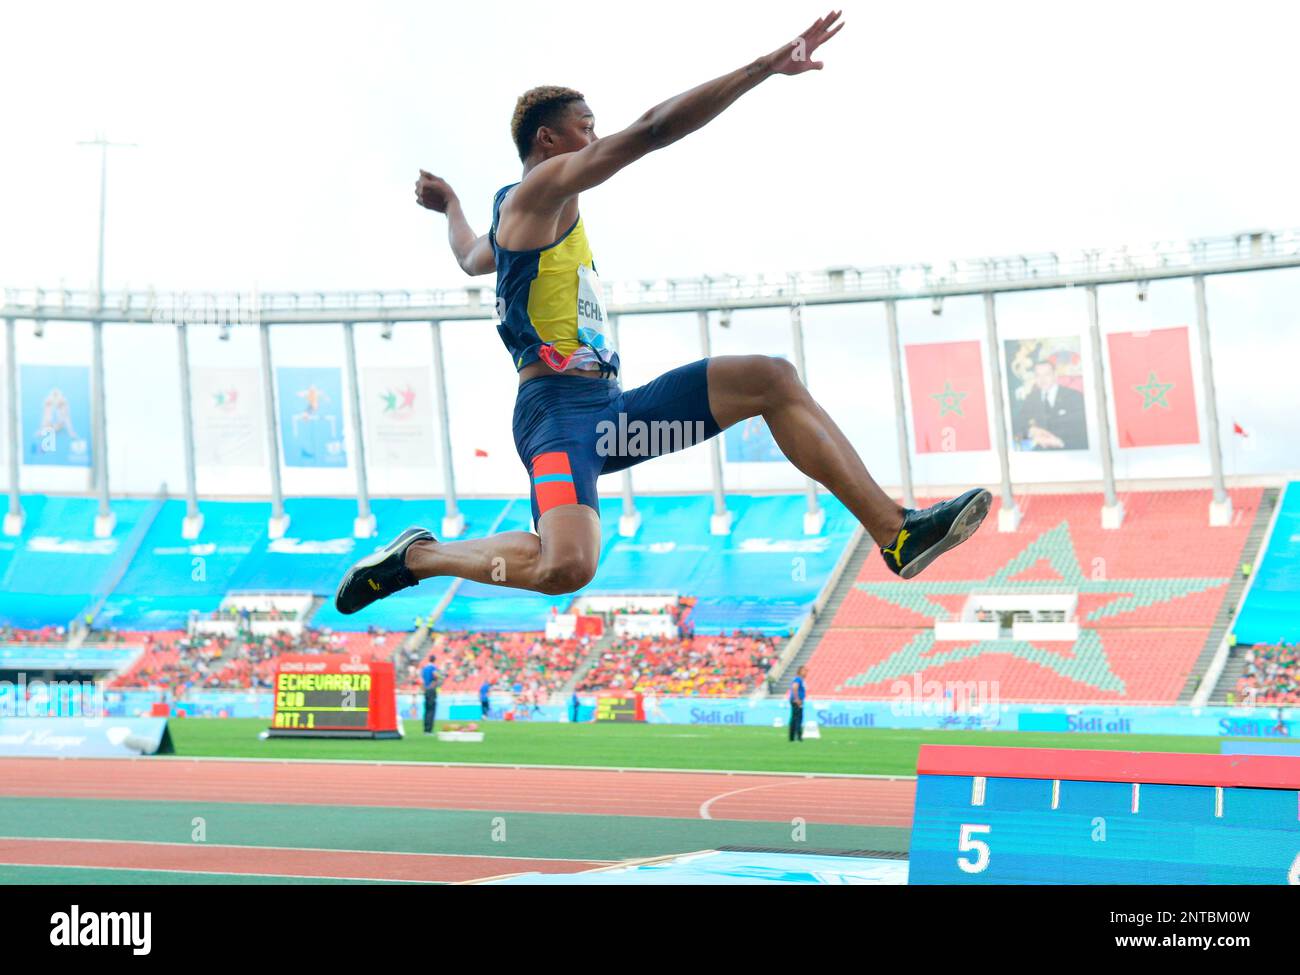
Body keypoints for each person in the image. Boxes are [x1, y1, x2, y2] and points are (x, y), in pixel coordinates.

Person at [333, 11, 991, 618]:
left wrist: (449, 204)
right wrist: (764, 67)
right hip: (555, 420)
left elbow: (471, 258)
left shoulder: (522, 214)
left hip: (614, 417)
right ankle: (416, 558)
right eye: (586, 127)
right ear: (549, 137)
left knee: (772, 377)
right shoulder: (539, 190)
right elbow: (652, 130)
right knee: (566, 567)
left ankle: (896, 532)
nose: (596, 137)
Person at [1016, 359, 1087, 450]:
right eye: (1038, 375)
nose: (1042, 379)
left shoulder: (1074, 396)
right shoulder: (1031, 398)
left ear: (1055, 375)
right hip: (1040, 451)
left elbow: (1082, 431)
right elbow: (1017, 425)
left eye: (1046, 374)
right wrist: (1031, 431)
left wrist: (1061, 443)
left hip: (1069, 450)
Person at [420, 654, 439, 735]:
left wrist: (424, 688)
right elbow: (435, 676)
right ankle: (429, 730)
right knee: (431, 710)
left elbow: (422, 679)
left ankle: (425, 729)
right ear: (434, 660)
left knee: (427, 710)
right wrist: (435, 683)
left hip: (426, 690)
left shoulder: (424, 668)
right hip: (431, 690)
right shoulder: (433, 668)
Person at [788, 666, 807, 742]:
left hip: (795, 700)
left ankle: (792, 737)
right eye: (804, 671)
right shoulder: (798, 679)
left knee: (794, 718)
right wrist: (797, 699)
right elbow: (794, 687)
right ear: (800, 671)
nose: (806, 673)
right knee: (798, 719)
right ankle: (798, 737)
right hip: (797, 701)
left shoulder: (798, 679)